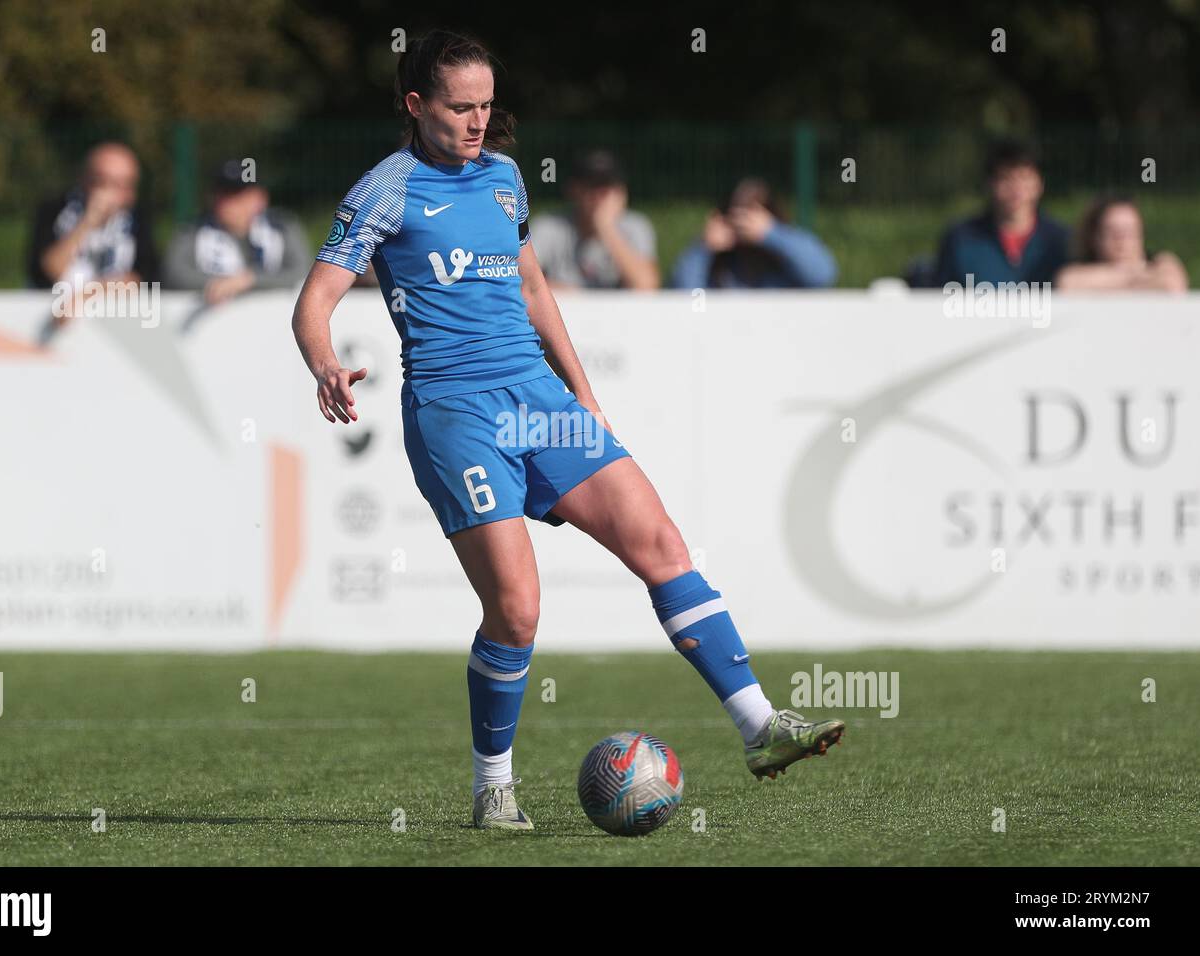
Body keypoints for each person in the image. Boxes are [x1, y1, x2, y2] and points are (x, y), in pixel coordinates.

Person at [290, 30, 844, 831]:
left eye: (487, 105)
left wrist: (582, 391)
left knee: (663, 546)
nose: (478, 121)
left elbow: (532, 287)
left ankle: (761, 727)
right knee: (517, 611)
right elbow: (314, 301)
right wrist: (325, 365)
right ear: (415, 104)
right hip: (456, 412)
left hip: (539, 401)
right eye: (460, 107)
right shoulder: (386, 189)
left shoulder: (504, 177)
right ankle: (494, 787)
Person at [165, 160, 311, 305]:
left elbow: (301, 272)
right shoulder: (192, 232)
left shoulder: (283, 228)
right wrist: (221, 283)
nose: (228, 202)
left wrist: (249, 280)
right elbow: (174, 273)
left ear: (260, 198)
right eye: (223, 194)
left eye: (238, 194)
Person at [935, 139, 1068, 287]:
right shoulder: (961, 240)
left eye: (1024, 177)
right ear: (989, 184)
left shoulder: (1062, 241)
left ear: (1040, 183)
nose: (1016, 188)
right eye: (1006, 178)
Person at [28, 142, 159, 291]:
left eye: (126, 185)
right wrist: (88, 222)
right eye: (105, 183)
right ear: (85, 179)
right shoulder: (54, 210)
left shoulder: (138, 219)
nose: (115, 194)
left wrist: (90, 293)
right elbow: (46, 271)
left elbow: (145, 277)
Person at [670, 177, 837, 288]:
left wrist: (772, 234)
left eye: (753, 213)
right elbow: (686, 296)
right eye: (739, 214)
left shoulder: (786, 259)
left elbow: (822, 275)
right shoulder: (719, 267)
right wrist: (703, 248)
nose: (745, 223)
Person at [528, 150, 660, 290]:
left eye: (606, 186)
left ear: (621, 192)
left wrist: (606, 227)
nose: (598, 195)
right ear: (573, 189)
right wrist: (573, 295)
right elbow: (520, 280)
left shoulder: (635, 227)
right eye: (591, 186)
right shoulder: (549, 226)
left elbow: (646, 286)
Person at [1055, 195, 1188, 292]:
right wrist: (1136, 276)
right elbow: (1067, 284)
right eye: (1112, 232)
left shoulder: (1161, 261)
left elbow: (1173, 284)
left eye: (1129, 231)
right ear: (1095, 237)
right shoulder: (1077, 271)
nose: (1122, 240)